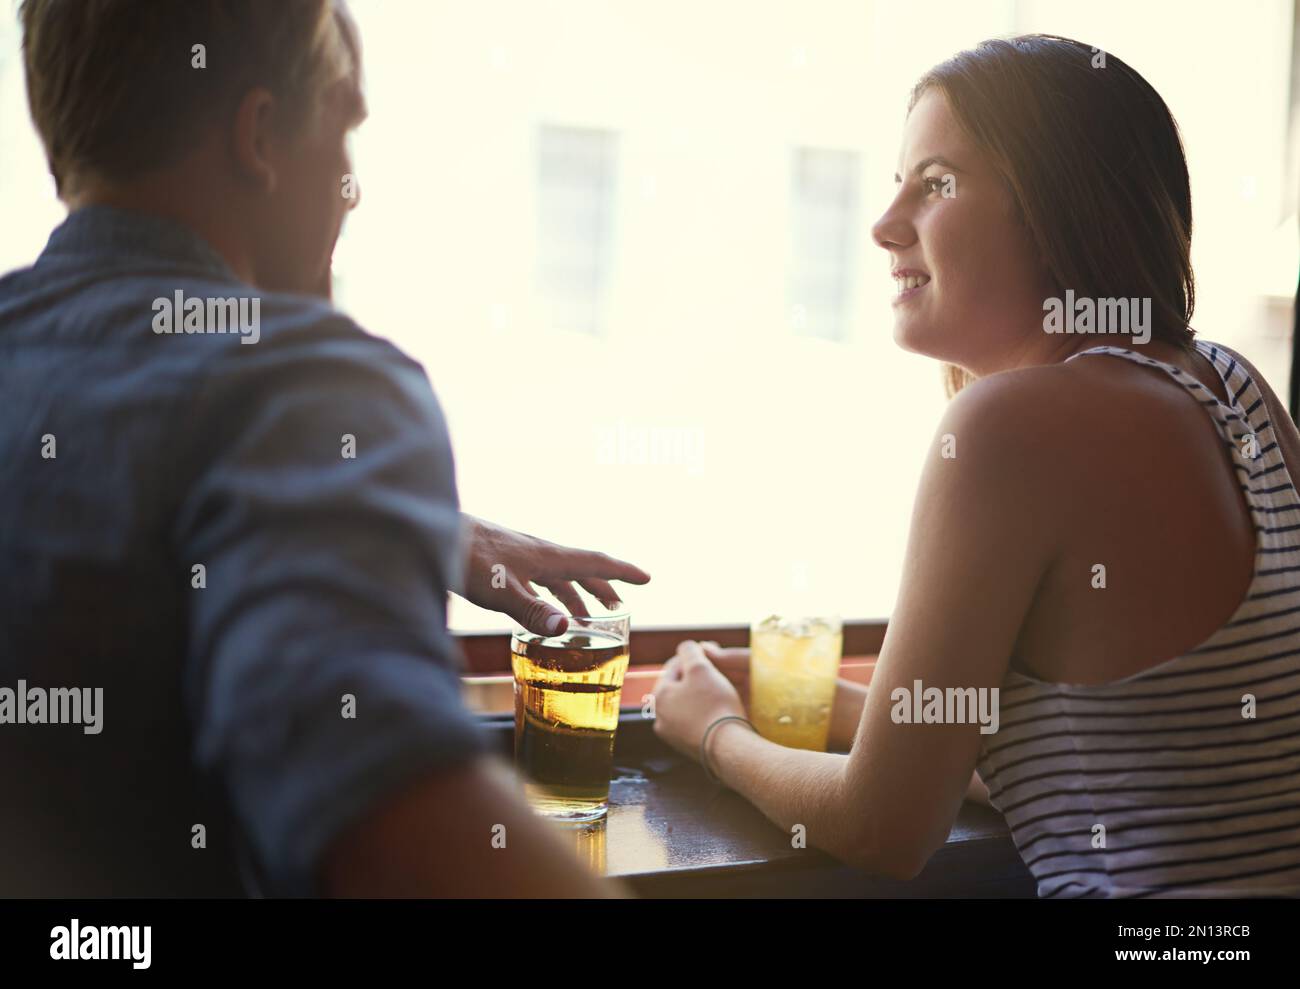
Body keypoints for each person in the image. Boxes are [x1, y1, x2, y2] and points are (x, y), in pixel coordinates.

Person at [0, 0, 646, 897]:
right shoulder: (305, 386)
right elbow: (406, 850)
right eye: (343, 131)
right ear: (258, 137)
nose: (350, 184)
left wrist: (351, 518)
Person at [653, 34, 1300, 897]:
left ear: (1056, 205)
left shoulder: (1009, 428)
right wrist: (857, 713)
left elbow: (883, 828)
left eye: (935, 185)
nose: (884, 227)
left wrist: (712, 732)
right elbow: (1151, 765)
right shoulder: (1233, 383)